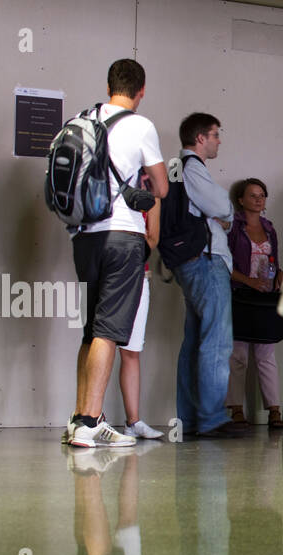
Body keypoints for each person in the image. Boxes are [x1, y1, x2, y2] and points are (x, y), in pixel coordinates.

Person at [61, 60, 168, 448]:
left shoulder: (82, 118)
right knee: (109, 330)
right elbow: (160, 187)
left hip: (84, 235)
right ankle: (91, 422)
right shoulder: (141, 126)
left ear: (109, 86)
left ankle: (77, 418)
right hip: (122, 236)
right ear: (141, 90)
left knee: (91, 330)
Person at [174, 112, 245, 440]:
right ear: (200, 138)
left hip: (189, 261)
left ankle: (190, 418)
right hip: (207, 260)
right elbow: (221, 206)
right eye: (215, 135)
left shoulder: (177, 169)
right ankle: (212, 417)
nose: (219, 141)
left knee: (194, 342)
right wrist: (226, 214)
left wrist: (219, 215)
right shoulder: (193, 168)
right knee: (217, 341)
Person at [226, 177, 283, 428]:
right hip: (239, 293)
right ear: (241, 200)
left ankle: (274, 409)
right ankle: (235, 408)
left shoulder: (270, 228)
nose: (259, 199)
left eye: (262, 195)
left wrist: (279, 274)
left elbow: (274, 261)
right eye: (253, 195)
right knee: (238, 355)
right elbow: (224, 263)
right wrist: (248, 281)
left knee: (266, 353)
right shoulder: (232, 228)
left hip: (265, 297)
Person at [118, 170, 164, 440]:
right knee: (97, 344)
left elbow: (152, 239)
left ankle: (133, 422)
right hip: (107, 276)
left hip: (138, 276)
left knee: (131, 350)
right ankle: (89, 418)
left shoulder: (153, 195)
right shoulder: (109, 188)